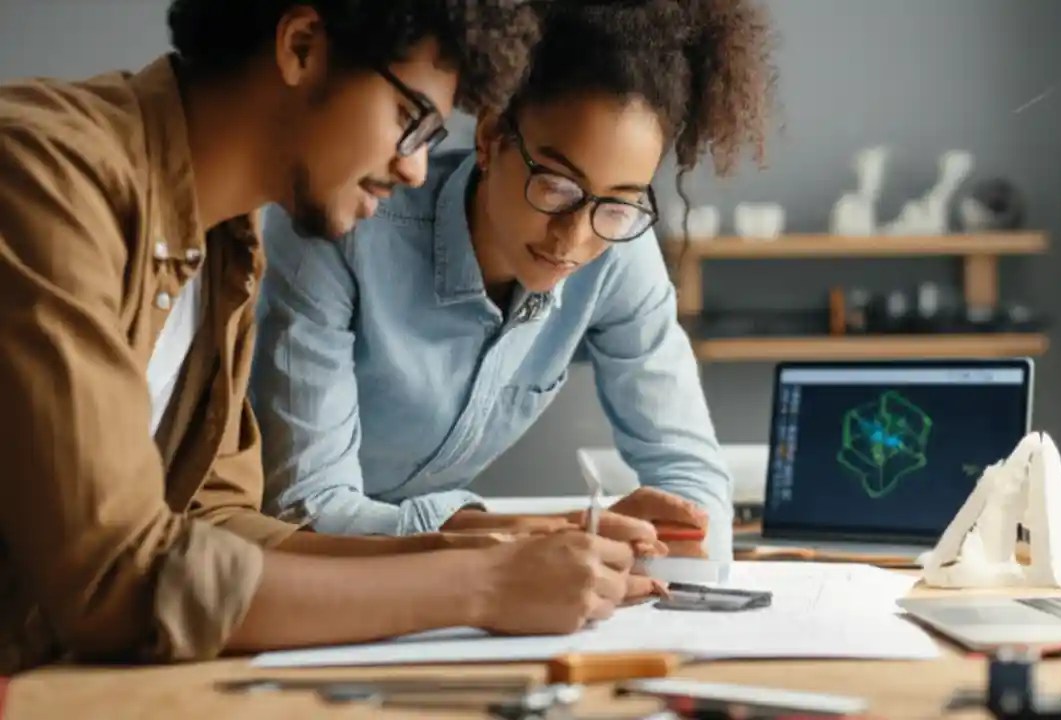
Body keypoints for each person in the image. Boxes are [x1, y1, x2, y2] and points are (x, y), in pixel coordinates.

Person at [0, 0, 651, 674]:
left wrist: (481, 552)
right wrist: (482, 588)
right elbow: (118, 578)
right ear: (302, 46)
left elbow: (216, 524)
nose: (416, 171)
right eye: (411, 121)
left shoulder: (227, 243)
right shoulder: (44, 176)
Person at [251, 0, 778, 562]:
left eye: (619, 205)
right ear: (492, 135)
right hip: (298, 575)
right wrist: (529, 532)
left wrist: (673, 548)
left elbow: (691, 478)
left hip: (454, 573)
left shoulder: (619, 250)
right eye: (555, 187)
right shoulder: (344, 223)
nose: (574, 236)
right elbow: (308, 512)